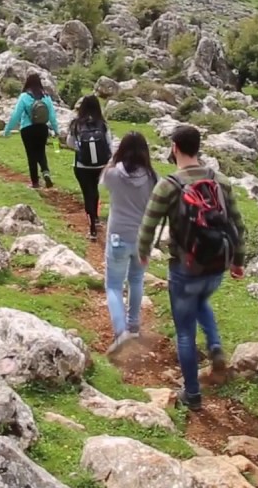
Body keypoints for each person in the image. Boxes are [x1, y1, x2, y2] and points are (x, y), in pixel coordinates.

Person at [135, 125, 246, 412]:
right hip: (216, 266)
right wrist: (238, 262)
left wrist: (143, 253)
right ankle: (216, 346)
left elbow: (148, 224)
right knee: (201, 300)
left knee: (184, 332)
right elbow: (237, 224)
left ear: (174, 147)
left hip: (185, 268)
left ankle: (192, 394)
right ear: (198, 147)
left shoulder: (169, 185)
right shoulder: (219, 180)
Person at [100, 132, 158, 354]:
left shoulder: (113, 174)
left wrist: (114, 159)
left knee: (114, 285)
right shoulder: (154, 177)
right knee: (136, 279)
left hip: (118, 237)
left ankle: (120, 330)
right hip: (143, 238)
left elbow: (104, 181)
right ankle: (134, 326)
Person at [2, 73, 60, 190]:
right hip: (42, 128)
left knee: (31, 155)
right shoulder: (46, 97)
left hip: (27, 129)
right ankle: (46, 172)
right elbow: (52, 116)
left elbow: (16, 115)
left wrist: (7, 130)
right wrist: (56, 129)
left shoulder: (24, 96)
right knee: (41, 151)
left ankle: (35, 183)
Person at [68, 95, 113, 240]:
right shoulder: (103, 124)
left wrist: (79, 147)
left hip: (82, 165)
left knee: (87, 193)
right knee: (94, 190)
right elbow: (109, 144)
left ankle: (92, 226)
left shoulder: (76, 124)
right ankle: (96, 217)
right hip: (100, 165)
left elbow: (70, 143)